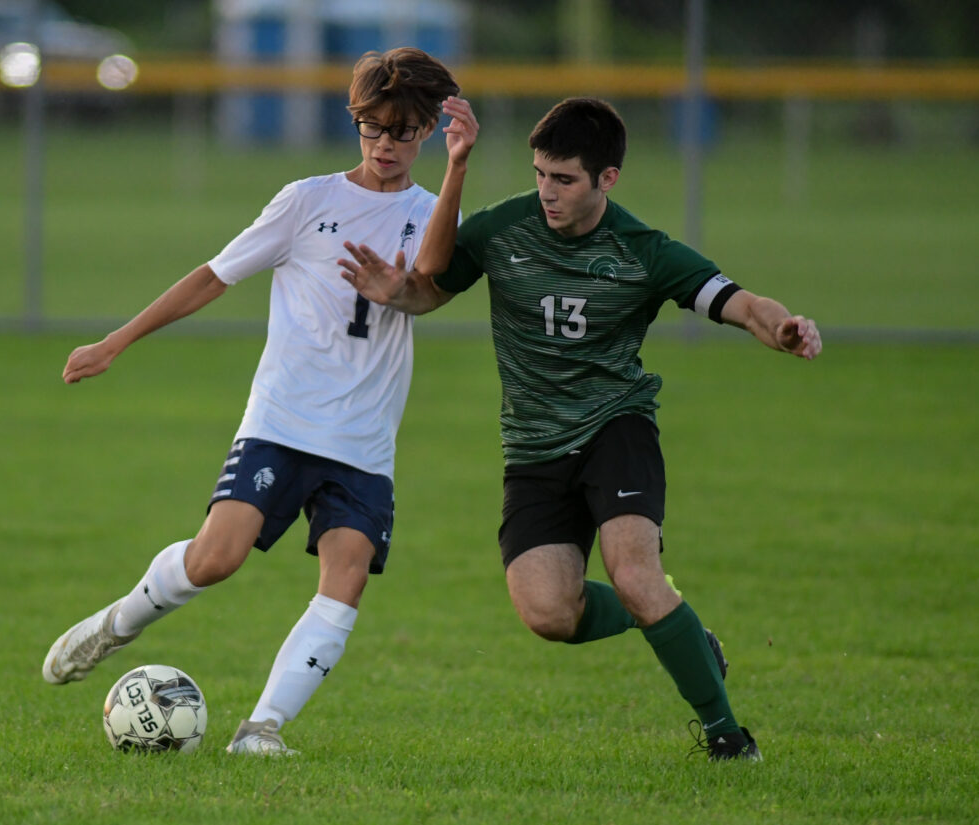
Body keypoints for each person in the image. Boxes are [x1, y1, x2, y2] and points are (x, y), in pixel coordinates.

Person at [339, 97, 822, 762]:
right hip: (533, 446)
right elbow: (430, 290)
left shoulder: (643, 250)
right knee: (549, 613)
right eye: (540, 173)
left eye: (563, 179)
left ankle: (727, 737)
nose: (546, 191)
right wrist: (395, 292)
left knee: (633, 570)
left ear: (607, 179)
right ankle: (675, 623)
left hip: (614, 428)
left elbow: (738, 302)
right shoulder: (502, 229)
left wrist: (785, 326)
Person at [41, 47, 479, 757]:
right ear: (356, 124)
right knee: (217, 558)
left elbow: (430, 283)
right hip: (284, 419)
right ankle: (118, 622)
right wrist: (115, 342)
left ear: (429, 130)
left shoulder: (432, 212)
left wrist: (457, 173)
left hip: (364, 438)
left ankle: (261, 727)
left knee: (345, 580)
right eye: (374, 128)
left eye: (404, 131)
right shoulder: (307, 200)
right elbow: (214, 276)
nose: (387, 145)